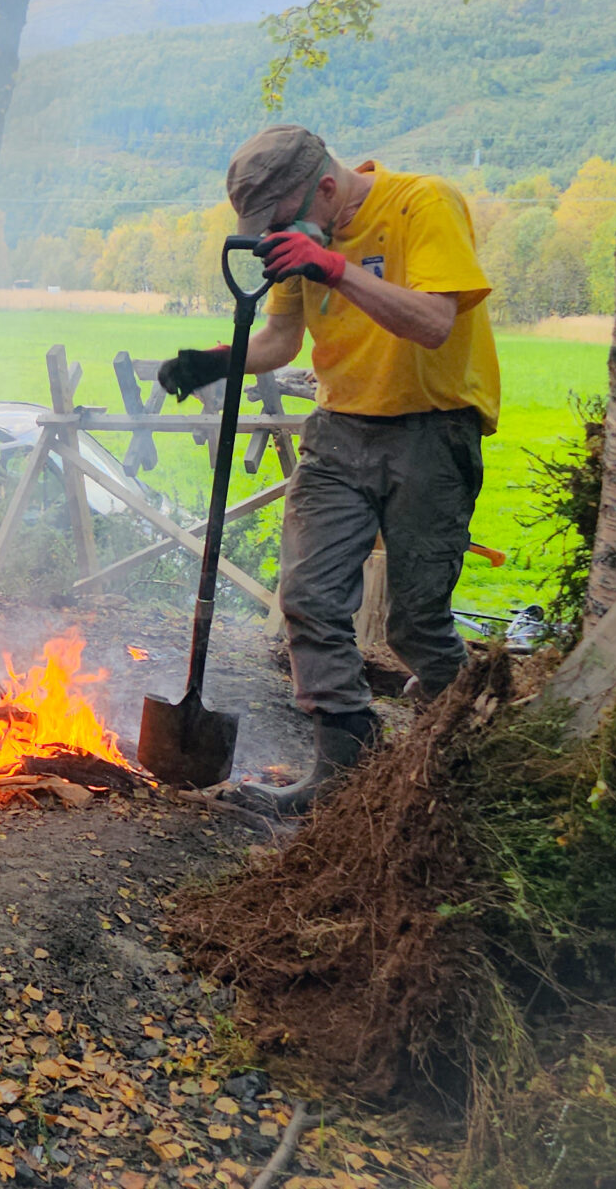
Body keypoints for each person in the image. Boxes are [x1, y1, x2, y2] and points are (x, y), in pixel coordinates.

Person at [156, 125, 499, 815]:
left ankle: (473, 742)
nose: (274, 235)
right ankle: (345, 767)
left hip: (433, 427)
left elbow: (434, 322)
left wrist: (334, 267)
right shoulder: (304, 244)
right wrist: (212, 359)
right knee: (307, 595)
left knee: (416, 623)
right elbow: (281, 339)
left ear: (325, 187)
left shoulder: (423, 203)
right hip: (340, 429)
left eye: (280, 219)